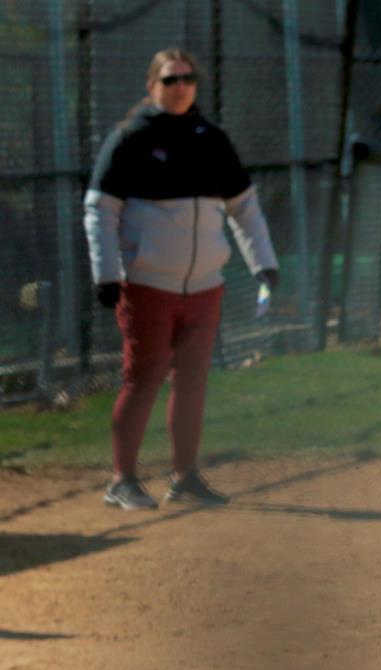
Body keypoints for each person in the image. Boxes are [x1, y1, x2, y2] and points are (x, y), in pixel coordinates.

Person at [84, 49, 279, 511]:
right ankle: (122, 480)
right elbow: (101, 210)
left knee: (193, 381)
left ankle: (185, 477)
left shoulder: (210, 138)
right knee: (143, 377)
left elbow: (244, 208)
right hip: (149, 286)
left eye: (188, 79)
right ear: (152, 85)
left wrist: (263, 262)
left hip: (204, 286)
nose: (181, 86)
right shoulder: (130, 137)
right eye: (171, 79)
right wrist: (107, 275)